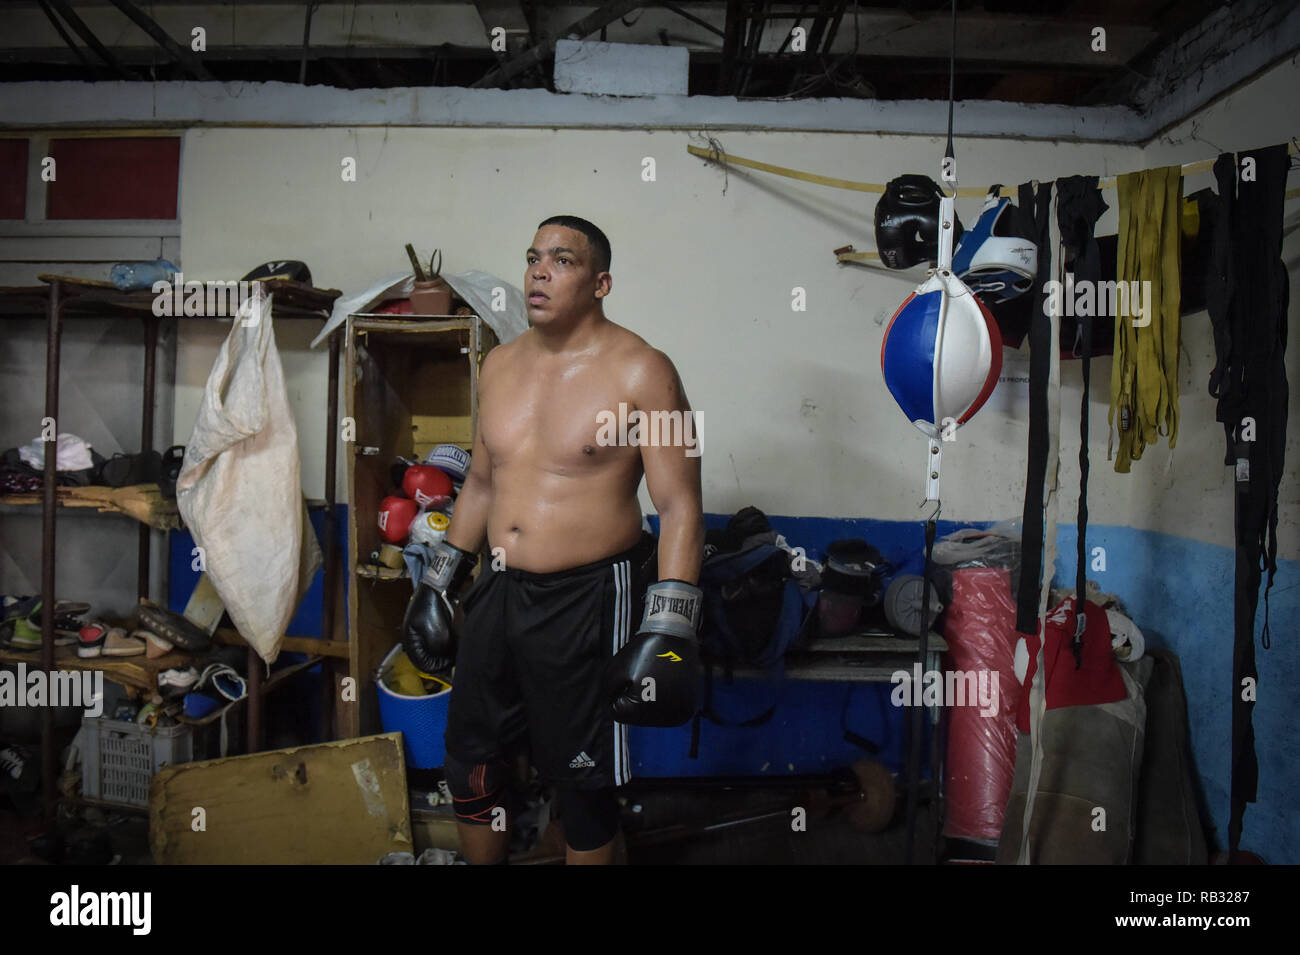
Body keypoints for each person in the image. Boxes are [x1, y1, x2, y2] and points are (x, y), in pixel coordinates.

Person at [402, 215, 705, 865]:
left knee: (582, 784)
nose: (538, 270)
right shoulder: (501, 365)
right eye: (533, 257)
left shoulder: (644, 370)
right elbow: (481, 482)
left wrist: (670, 627)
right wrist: (438, 580)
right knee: (470, 763)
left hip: (590, 595)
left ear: (601, 283)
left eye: (561, 260)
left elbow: (679, 505)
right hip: (500, 586)